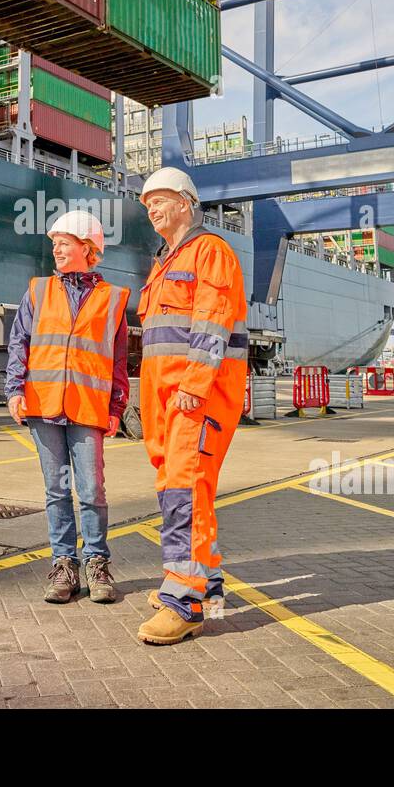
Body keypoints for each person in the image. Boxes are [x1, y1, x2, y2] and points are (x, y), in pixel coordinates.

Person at [135, 167, 248, 646]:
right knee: (179, 488)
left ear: (186, 202)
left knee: (185, 491)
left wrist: (195, 385)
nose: (151, 210)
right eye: (146, 205)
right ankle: (211, 587)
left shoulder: (210, 252)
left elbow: (212, 322)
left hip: (194, 397)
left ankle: (184, 602)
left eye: (158, 200)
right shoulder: (164, 261)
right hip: (166, 399)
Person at [6, 210, 130, 605]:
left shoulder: (113, 299)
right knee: (56, 491)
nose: (56, 248)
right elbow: (19, 342)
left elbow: (118, 359)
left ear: (88, 248)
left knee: (92, 491)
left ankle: (97, 563)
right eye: (54, 243)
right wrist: (13, 389)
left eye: (65, 242)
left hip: (89, 409)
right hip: (44, 406)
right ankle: (64, 566)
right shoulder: (38, 291)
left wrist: (117, 407)